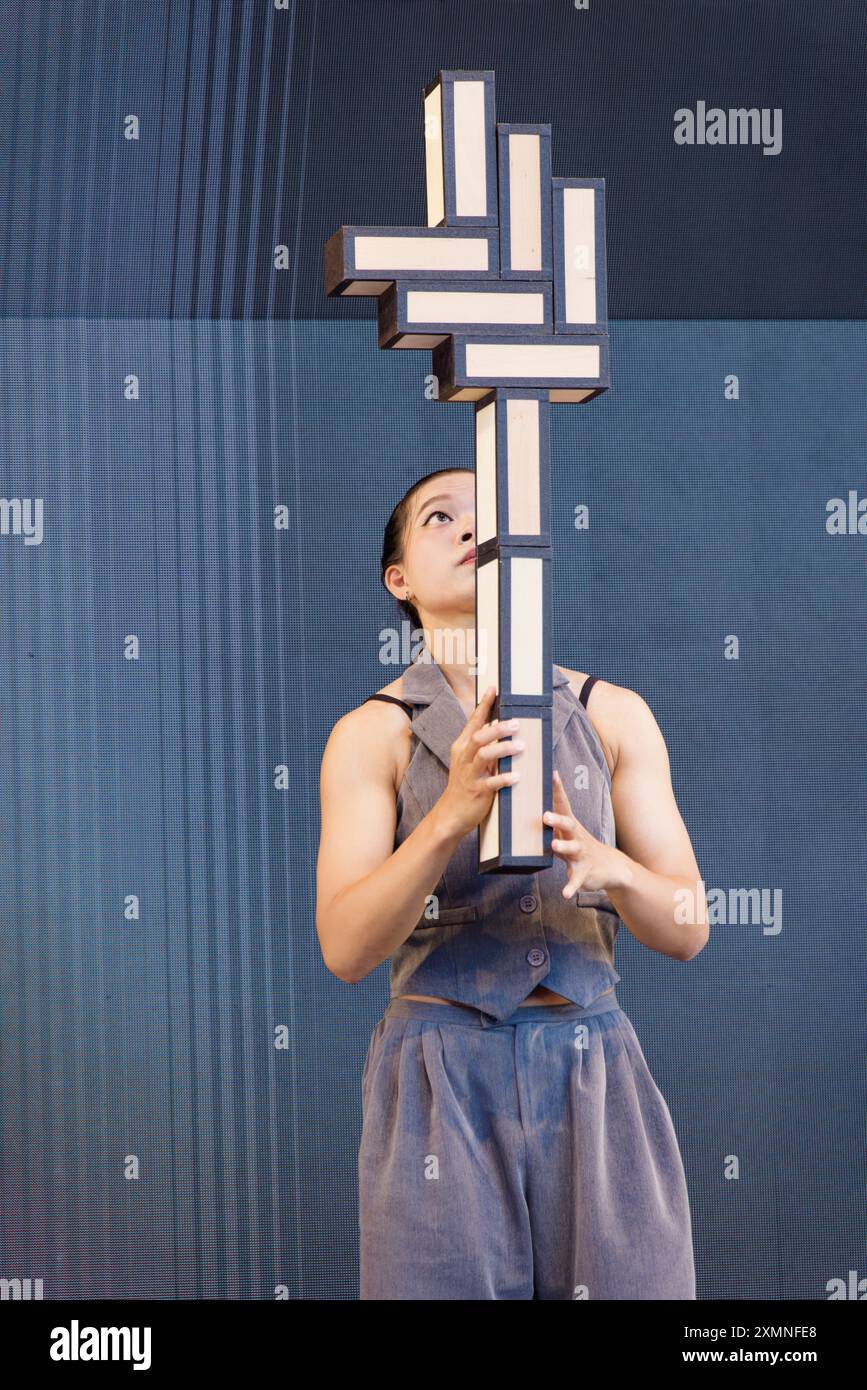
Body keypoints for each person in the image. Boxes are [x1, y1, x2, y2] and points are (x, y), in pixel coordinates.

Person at [315, 465, 707, 1300]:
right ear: (398, 578)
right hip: (440, 1080)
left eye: (487, 519)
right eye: (439, 518)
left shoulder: (612, 713)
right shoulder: (370, 735)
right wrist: (449, 817)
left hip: (593, 1068)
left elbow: (687, 923)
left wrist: (614, 872)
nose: (469, 531)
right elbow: (346, 948)